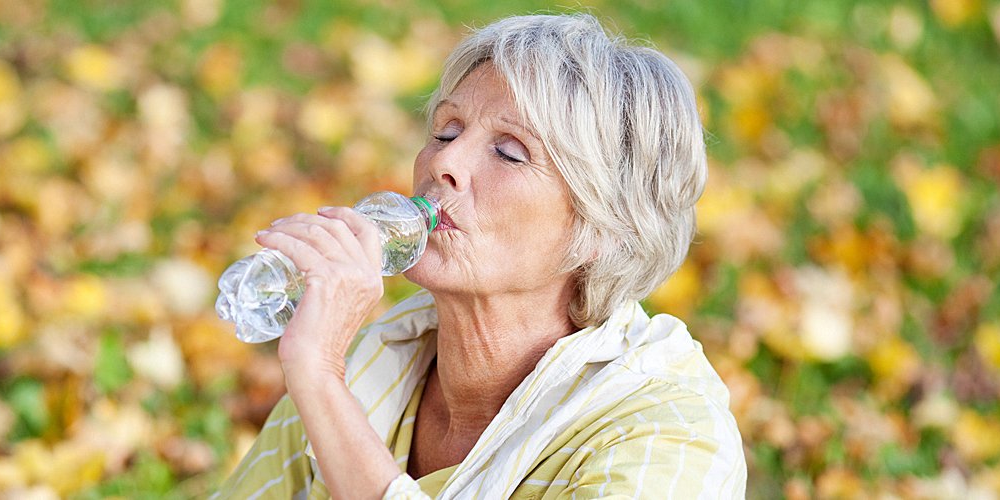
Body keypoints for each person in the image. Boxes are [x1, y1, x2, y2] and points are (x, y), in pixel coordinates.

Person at [215, 13, 746, 499]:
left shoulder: (667, 433)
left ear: (606, 228)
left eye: (509, 152)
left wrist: (321, 382)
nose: (444, 159)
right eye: (446, 130)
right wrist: (325, 377)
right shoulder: (373, 362)